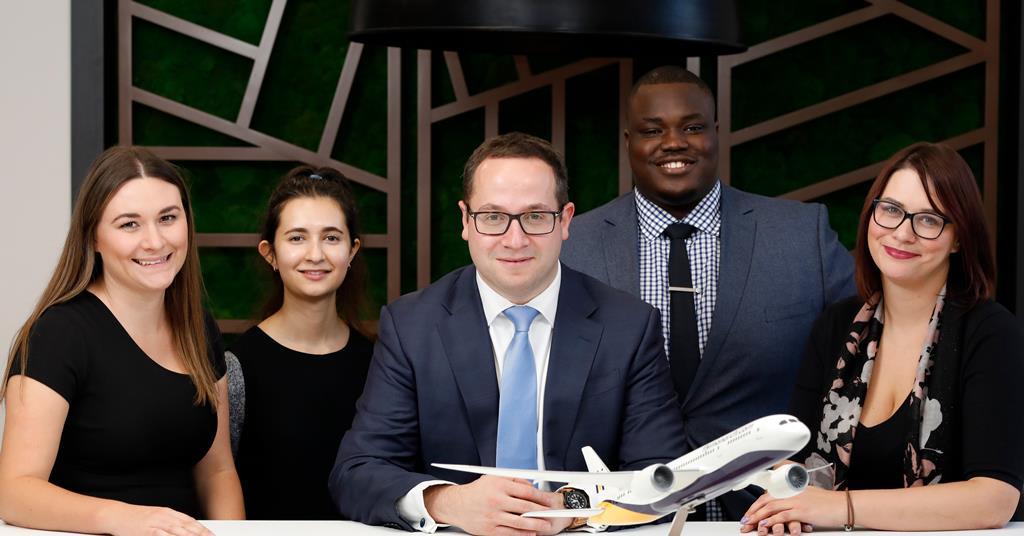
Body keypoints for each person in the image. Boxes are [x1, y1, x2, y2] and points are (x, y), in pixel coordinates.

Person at [330, 132, 687, 534]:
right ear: (466, 221)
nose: (514, 240)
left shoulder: (628, 326)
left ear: (565, 220)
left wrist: (570, 508)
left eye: (535, 217)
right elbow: (358, 472)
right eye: (493, 217)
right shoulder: (411, 325)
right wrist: (447, 502)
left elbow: (663, 475)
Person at [560, 66, 856, 520]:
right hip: (621, 517)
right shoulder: (572, 246)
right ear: (628, 142)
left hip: (770, 516)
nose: (673, 142)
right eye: (652, 130)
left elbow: (865, 353)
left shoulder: (801, 236)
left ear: (716, 133)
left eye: (692, 127)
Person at [740, 142, 1023, 535]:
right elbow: (795, 458)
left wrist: (839, 507)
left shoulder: (991, 332)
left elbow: (994, 498)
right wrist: (787, 504)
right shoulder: (836, 324)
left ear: (959, 237)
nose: (902, 233)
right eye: (890, 210)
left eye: (928, 219)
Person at [0, 146, 244, 534]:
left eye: (168, 218)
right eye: (130, 224)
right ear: (93, 237)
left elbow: (217, 471)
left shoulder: (197, 325)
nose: (155, 241)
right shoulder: (58, 334)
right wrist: (125, 517)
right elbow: (14, 492)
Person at [225, 166, 374, 519]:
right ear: (270, 253)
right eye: (296, 238)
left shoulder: (381, 364)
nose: (315, 254)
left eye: (331, 238)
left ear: (352, 251)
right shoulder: (236, 366)